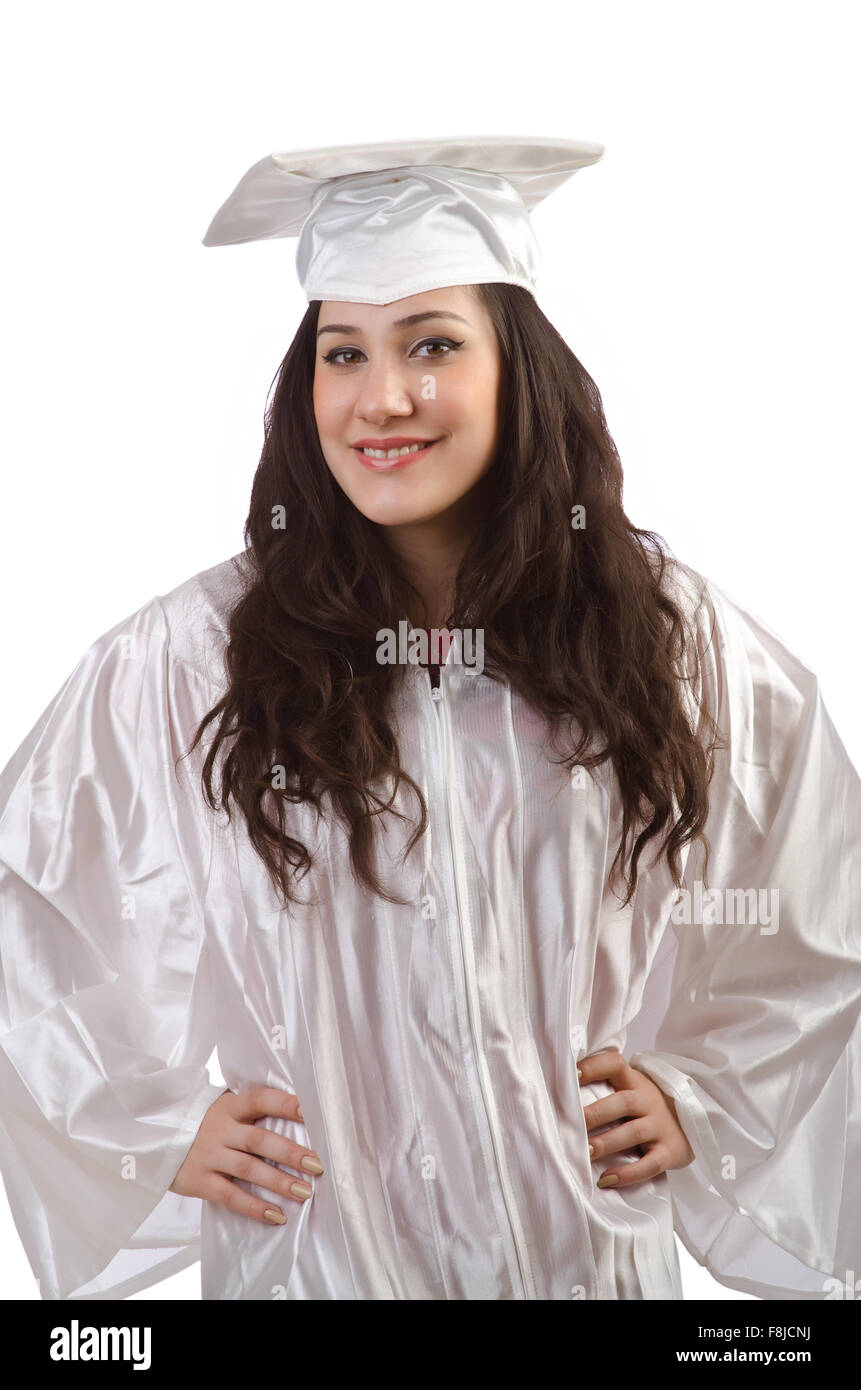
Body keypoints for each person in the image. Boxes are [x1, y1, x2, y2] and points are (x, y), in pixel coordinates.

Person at [0, 136, 858, 1301]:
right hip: (316, 1272)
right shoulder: (191, 660)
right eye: (342, 351)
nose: (381, 397)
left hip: (585, 1270)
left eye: (434, 345)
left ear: (520, 370)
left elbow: (822, 900)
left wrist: (710, 1092)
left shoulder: (663, 642)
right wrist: (150, 1124)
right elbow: (30, 907)